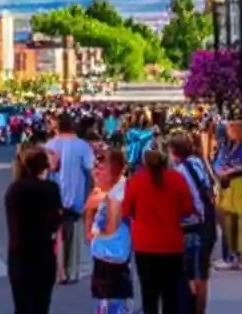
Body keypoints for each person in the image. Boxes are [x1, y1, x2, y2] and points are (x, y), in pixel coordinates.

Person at [122, 148, 194, 313]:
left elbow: (126, 210)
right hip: (172, 243)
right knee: (170, 294)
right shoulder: (176, 179)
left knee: (149, 293)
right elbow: (188, 208)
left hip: (144, 244)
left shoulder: (136, 181)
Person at [4, 145, 63, 314]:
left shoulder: (14, 189)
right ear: (44, 166)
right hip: (42, 256)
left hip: (19, 257)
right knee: (40, 306)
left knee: (22, 307)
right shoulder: (50, 189)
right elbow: (56, 225)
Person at [168, 132, 216, 314]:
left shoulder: (179, 172)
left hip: (193, 224)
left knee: (190, 274)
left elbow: (187, 201)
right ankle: (200, 309)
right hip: (208, 222)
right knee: (202, 274)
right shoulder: (197, 162)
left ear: (173, 151)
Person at [45, 112, 95, 284]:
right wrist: (89, 194)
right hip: (76, 198)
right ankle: (71, 271)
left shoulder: (50, 144)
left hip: (54, 198)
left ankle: (58, 272)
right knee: (73, 237)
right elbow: (90, 172)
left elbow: (46, 173)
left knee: (57, 235)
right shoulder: (82, 146)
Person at [85, 148, 134, 314]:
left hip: (113, 260)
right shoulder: (105, 191)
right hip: (105, 259)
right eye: (96, 167)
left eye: (101, 168)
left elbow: (109, 231)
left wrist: (91, 213)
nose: (96, 171)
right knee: (105, 304)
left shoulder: (117, 194)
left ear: (114, 171)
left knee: (113, 304)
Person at [214, 120, 242, 272]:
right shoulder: (227, 145)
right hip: (229, 189)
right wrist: (220, 170)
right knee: (230, 223)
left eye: (231, 129)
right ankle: (234, 256)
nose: (228, 132)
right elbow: (219, 163)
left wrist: (227, 170)